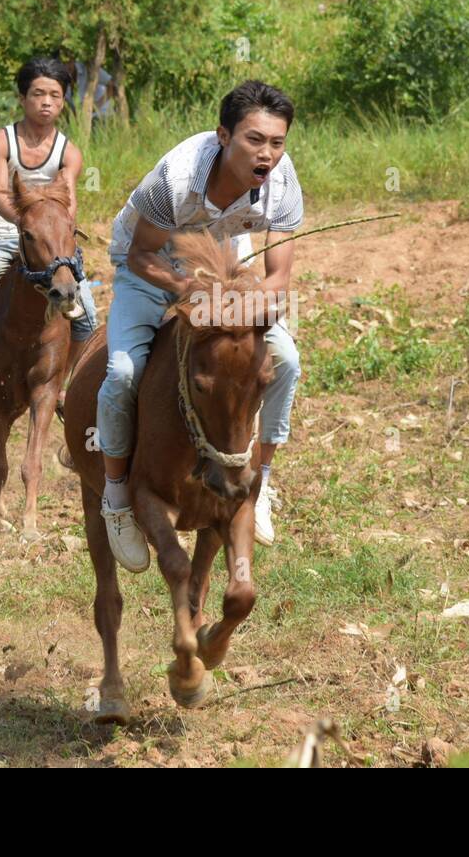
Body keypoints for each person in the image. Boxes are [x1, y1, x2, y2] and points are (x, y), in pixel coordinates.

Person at [97, 80, 303, 572]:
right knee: (123, 375)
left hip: (227, 270)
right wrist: (189, 291)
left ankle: (263, 485)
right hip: (154, 269)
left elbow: (278, 278)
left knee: (288, 362)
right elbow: (141, 254)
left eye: (277, 142)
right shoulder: (176, 178)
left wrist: (240, 310)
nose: (267, 154)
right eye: (254, 140)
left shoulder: (283, 181)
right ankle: (116, 500)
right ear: (223, 136)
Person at [0, 57, 97, 438]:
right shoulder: (0, 141)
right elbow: (1, 193)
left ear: (64, 101)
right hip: (6, 235)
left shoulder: (70, 152)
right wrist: (27, 222)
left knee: (89, 318)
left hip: (53, 242)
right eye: (38, 93)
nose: (46, 102)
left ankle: (64, 386)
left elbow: (68, 203)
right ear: (22, 98)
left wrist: (55, 233)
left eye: (55, 94)